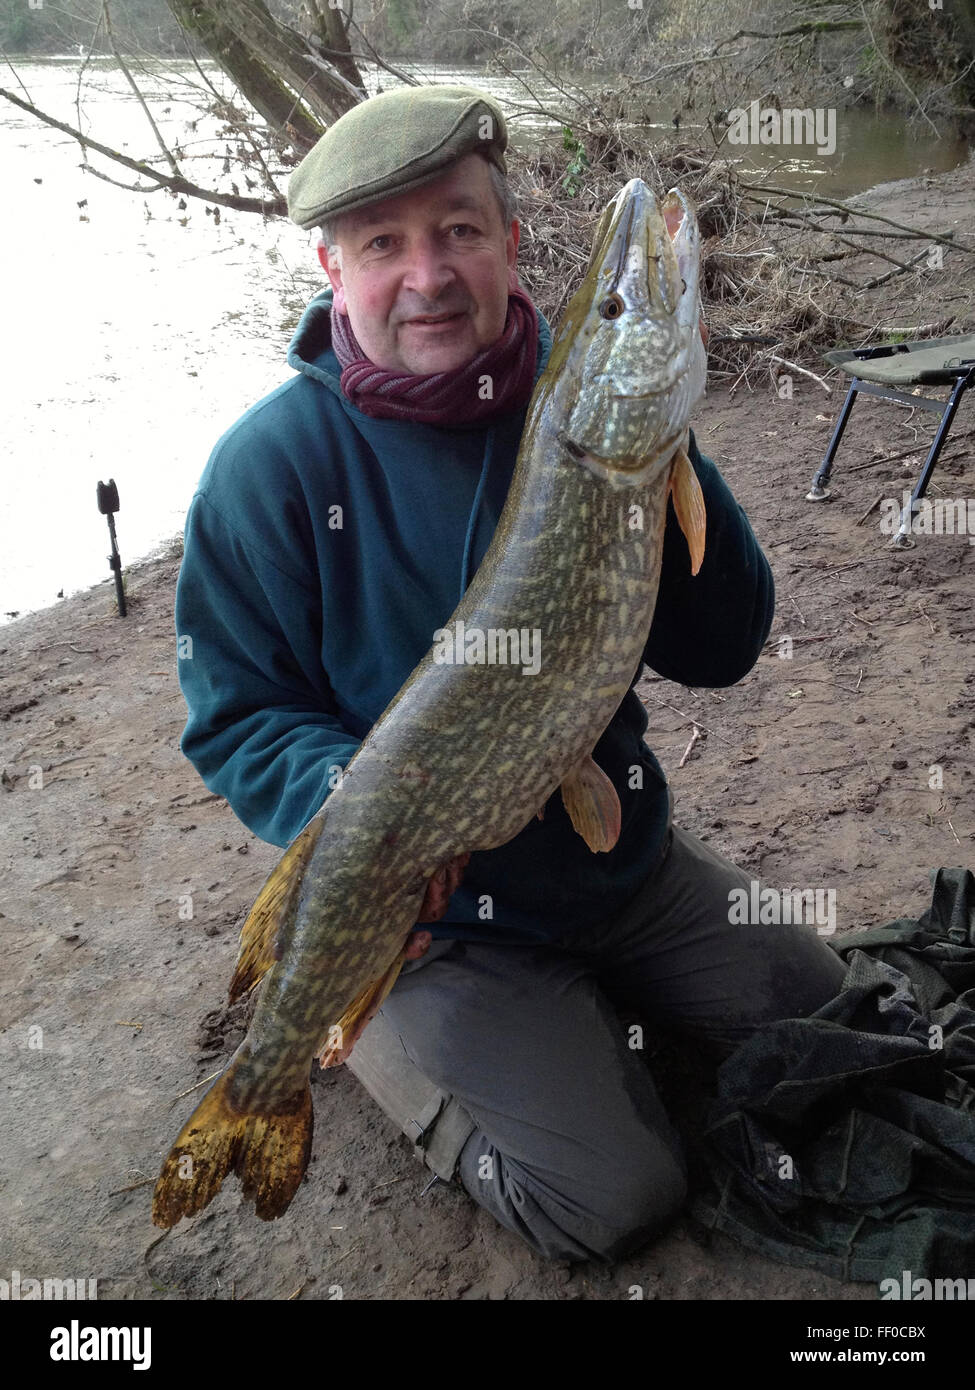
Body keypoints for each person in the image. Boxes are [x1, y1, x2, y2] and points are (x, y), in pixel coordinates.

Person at [174, 85, 847, 1263]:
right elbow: (237, 720)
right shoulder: (265, 471)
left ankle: (576, 1015)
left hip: (612, 863)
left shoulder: (577, 406)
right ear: (335, 271)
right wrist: (356, 805)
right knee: (617, 1196)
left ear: (510, 248)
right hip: (434, 921)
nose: (427, 273)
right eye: (384, 243)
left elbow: (729, 645)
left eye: (459, 229)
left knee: (822, 1004)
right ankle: (360, 1031)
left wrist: (667, 448)